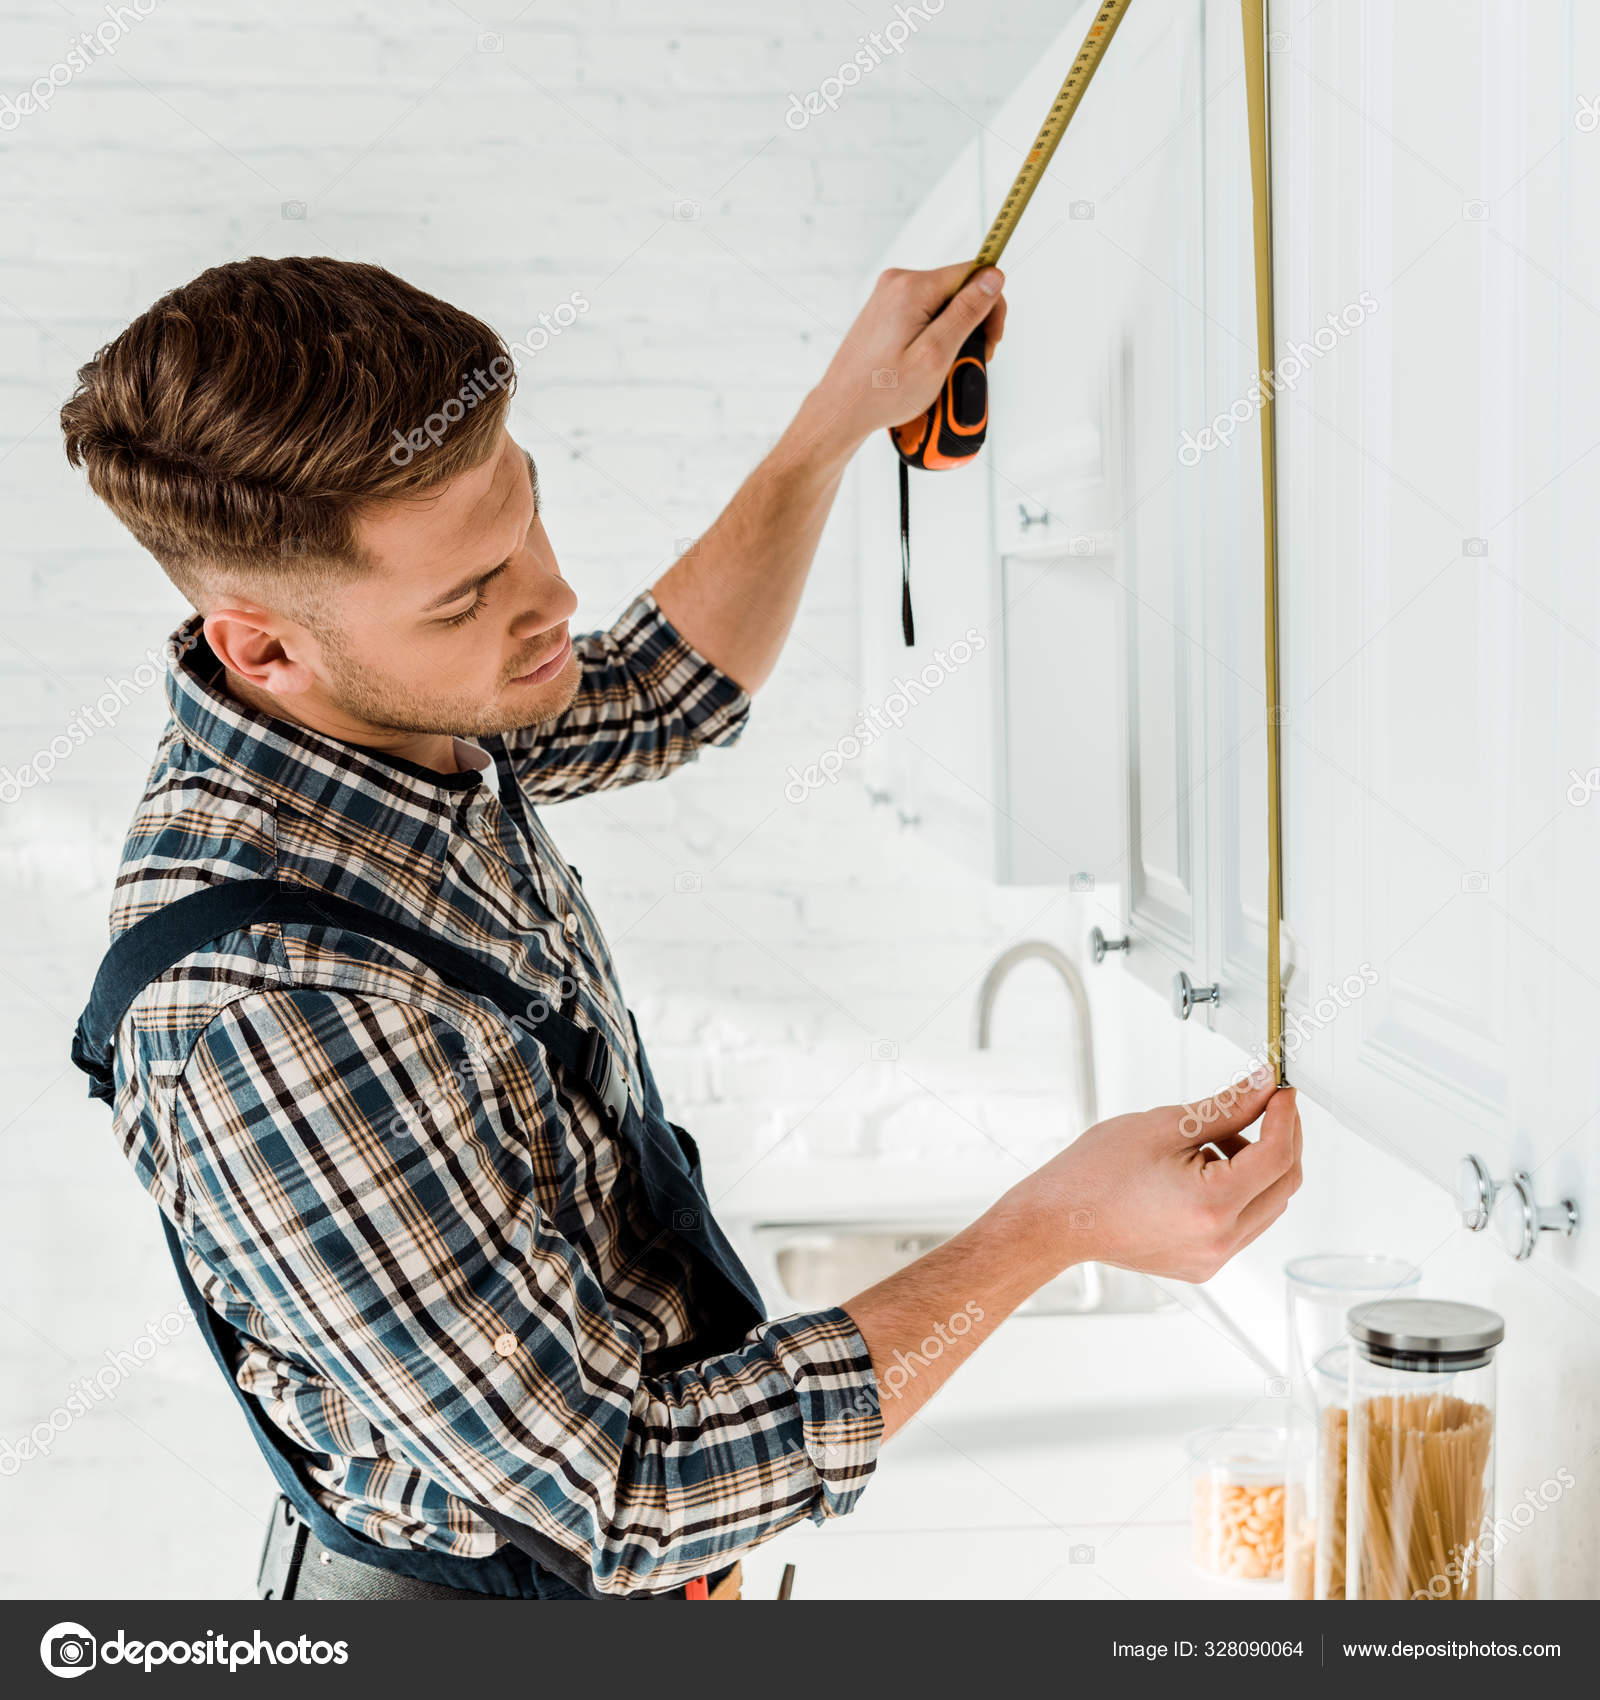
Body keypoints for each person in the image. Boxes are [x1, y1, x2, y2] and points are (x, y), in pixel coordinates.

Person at [60, 255, 1300, 1600]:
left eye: (524, 515)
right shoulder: (268, 1016)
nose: (550, 602)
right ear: (263, 650)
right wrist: (1047, 1230)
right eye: (467, 594)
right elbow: (631, 1488)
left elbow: (658, 693)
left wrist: (836, 420)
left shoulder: (397, 712)